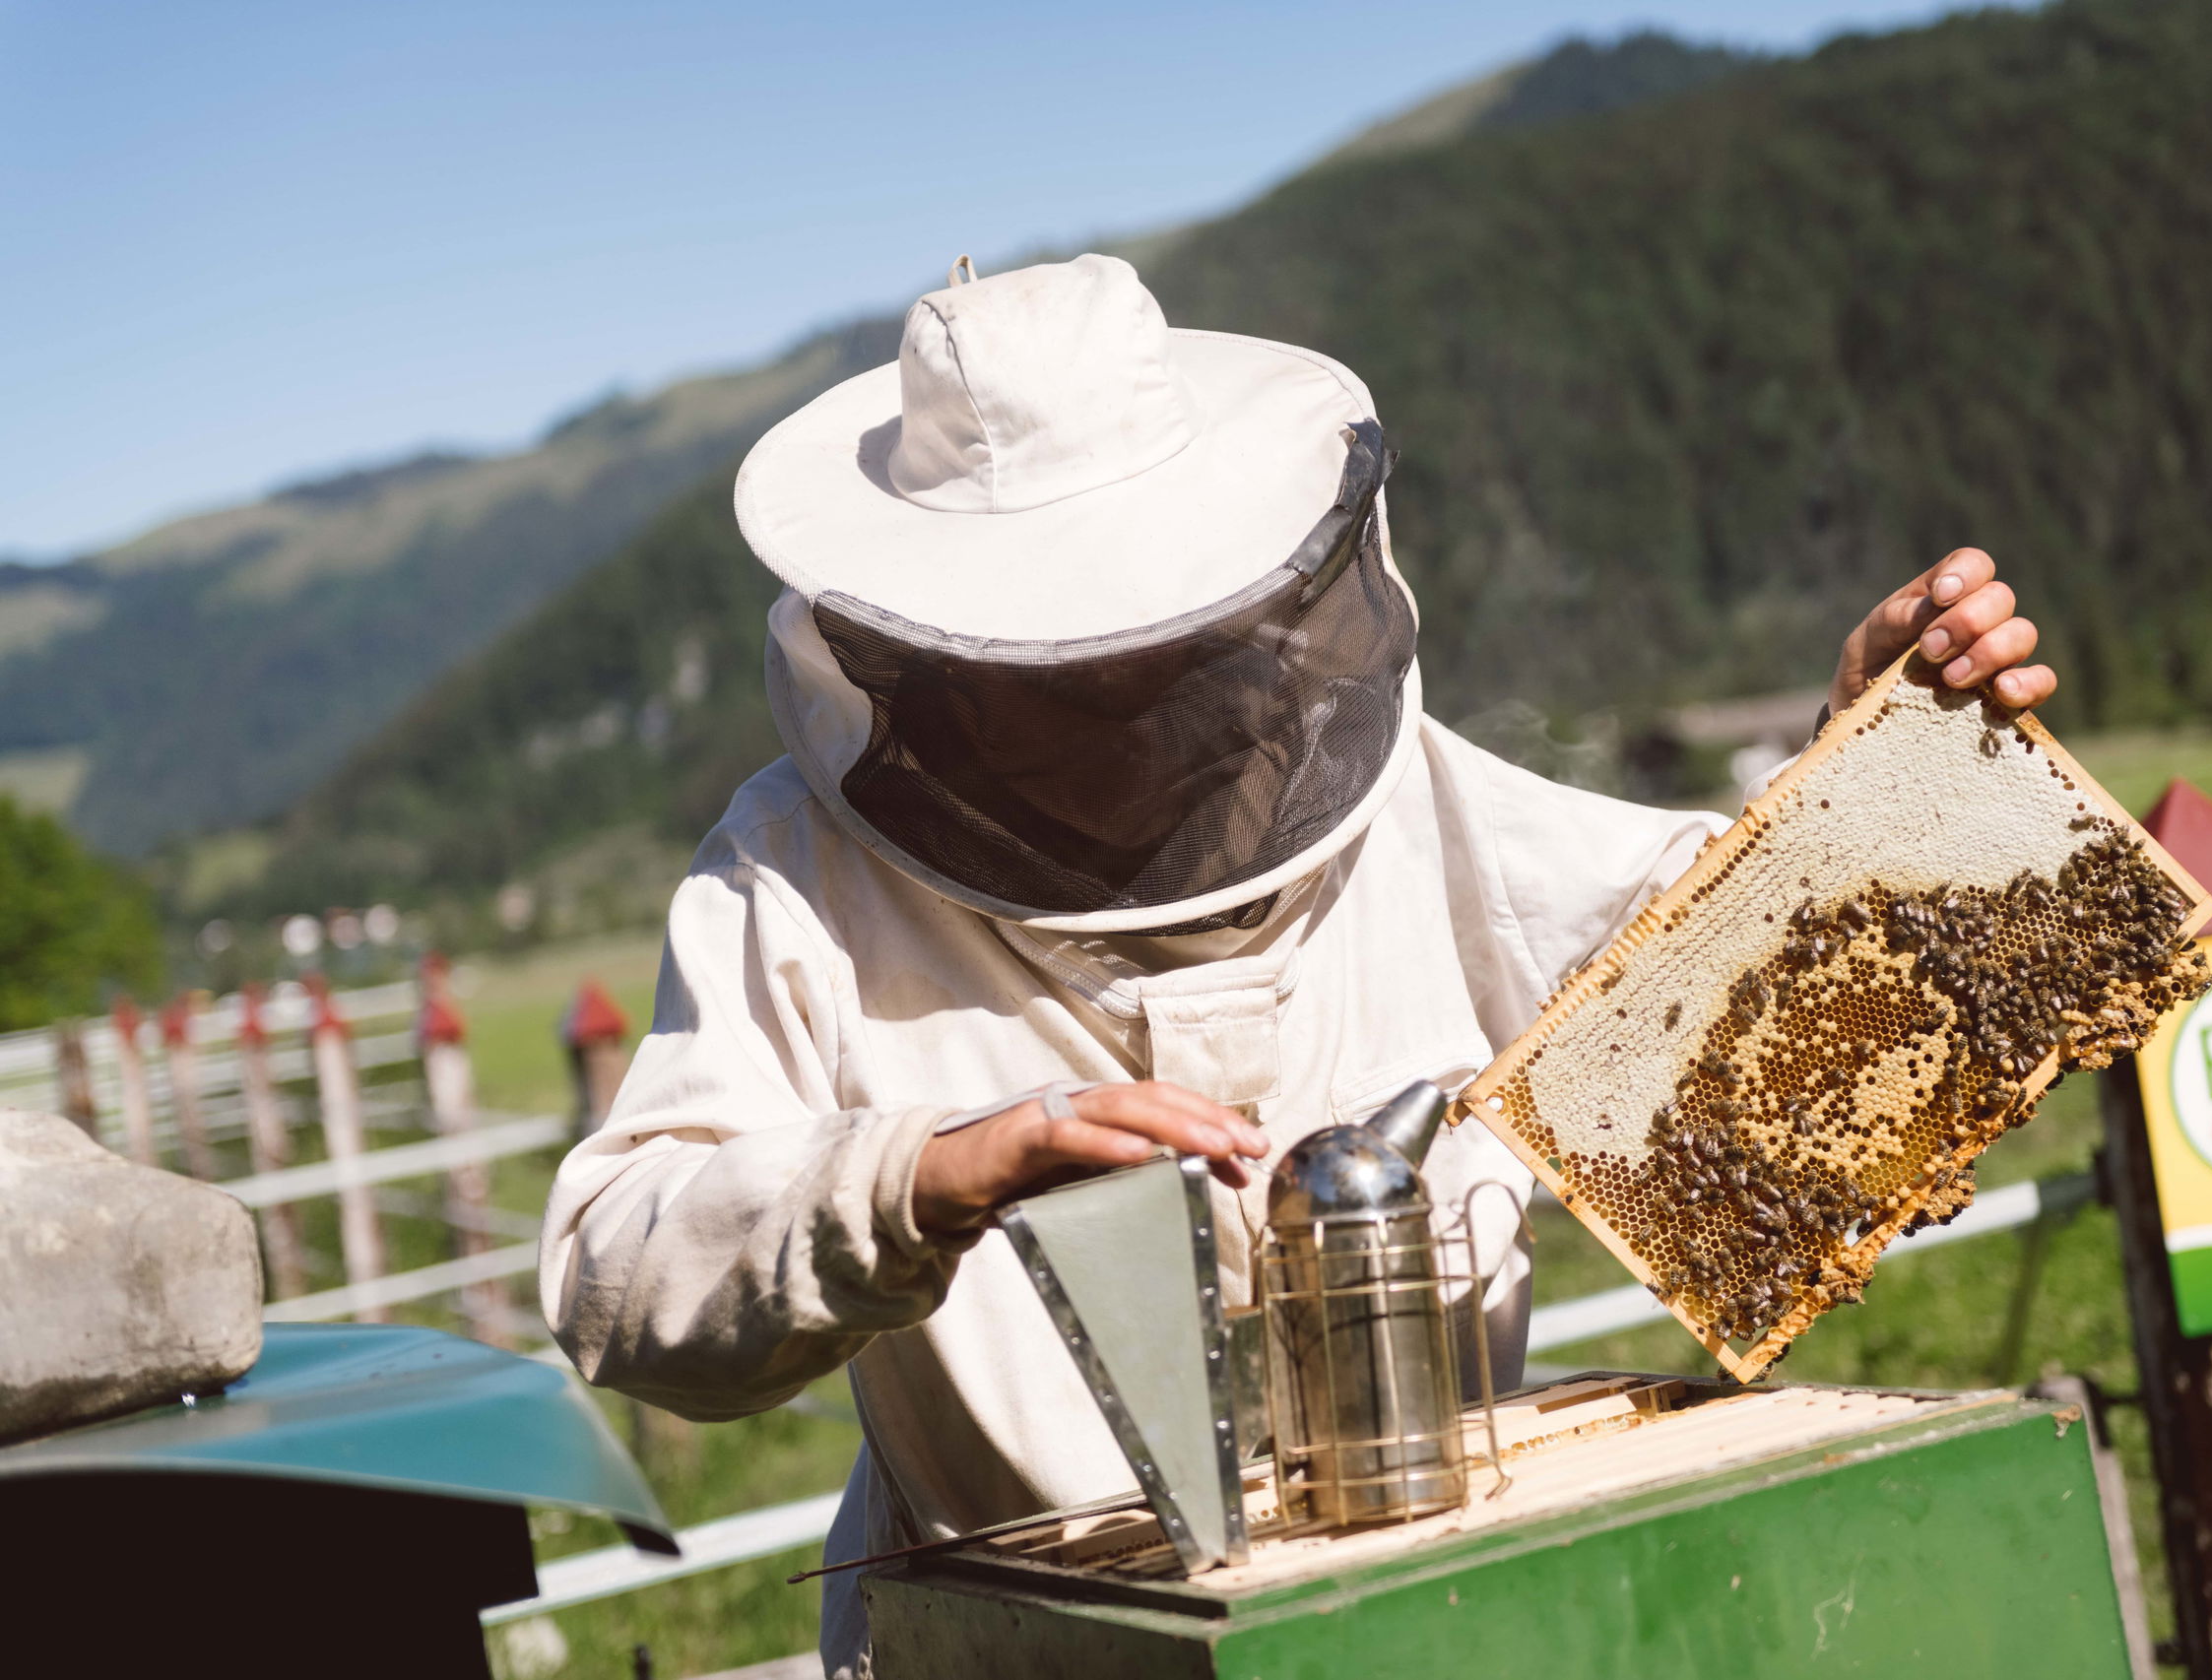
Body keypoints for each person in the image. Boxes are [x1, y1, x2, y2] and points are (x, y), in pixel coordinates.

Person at [539, 253, 2056, 1677]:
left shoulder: (1409, 798)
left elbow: (1745, 1048)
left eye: (1153, 634)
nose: (1128, 702)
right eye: (1064, 661)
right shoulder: (794, 878)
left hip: (1439, 1607)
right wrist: (924, 1175)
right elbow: (621, 1275)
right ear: (936, 656)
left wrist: (1862, 794)